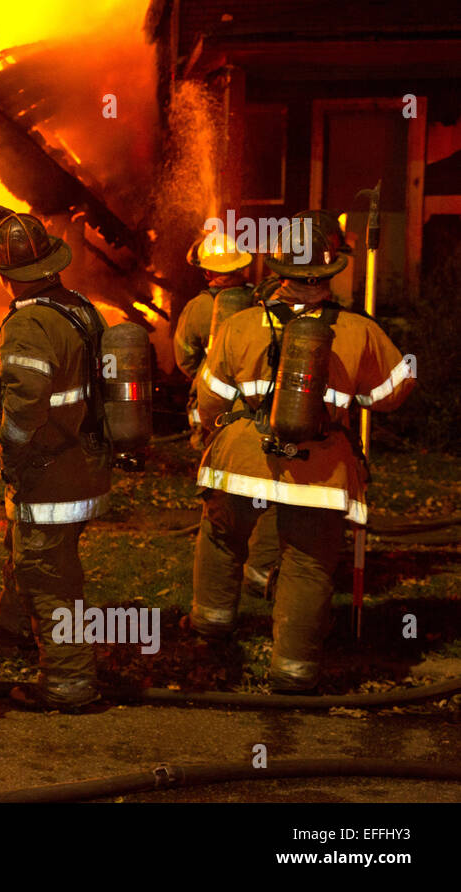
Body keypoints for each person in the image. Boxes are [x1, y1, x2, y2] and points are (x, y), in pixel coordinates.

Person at [191, 209, 415, 691]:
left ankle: (209, 627)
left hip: (241, 459)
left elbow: (210, 397)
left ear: (279, 272)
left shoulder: (239, 324)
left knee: (222, 538)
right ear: (328, 272)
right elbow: (394, 392)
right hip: (320, 469)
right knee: (308, 563)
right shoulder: (358, 330)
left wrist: (211, 432)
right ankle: (293, 670)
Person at [0, 207, 110, 712]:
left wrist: (11, 450)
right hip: (85, 462)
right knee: (27, 551)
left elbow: (26, 406)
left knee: (48, 573)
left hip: (50, 470)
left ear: (4, 274)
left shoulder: (29, 324)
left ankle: (70, 682)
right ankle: (9, 626)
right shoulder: (81, 308)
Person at [174, 232, 279, 597]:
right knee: (265, 481)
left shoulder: (198, 308)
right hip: (261, 410)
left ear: (206, 272)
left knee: (219, 490)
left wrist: (205, 375)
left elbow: (184, 356)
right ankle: (260, 554)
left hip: (214, 407)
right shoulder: (263, 301)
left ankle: (225, 556)